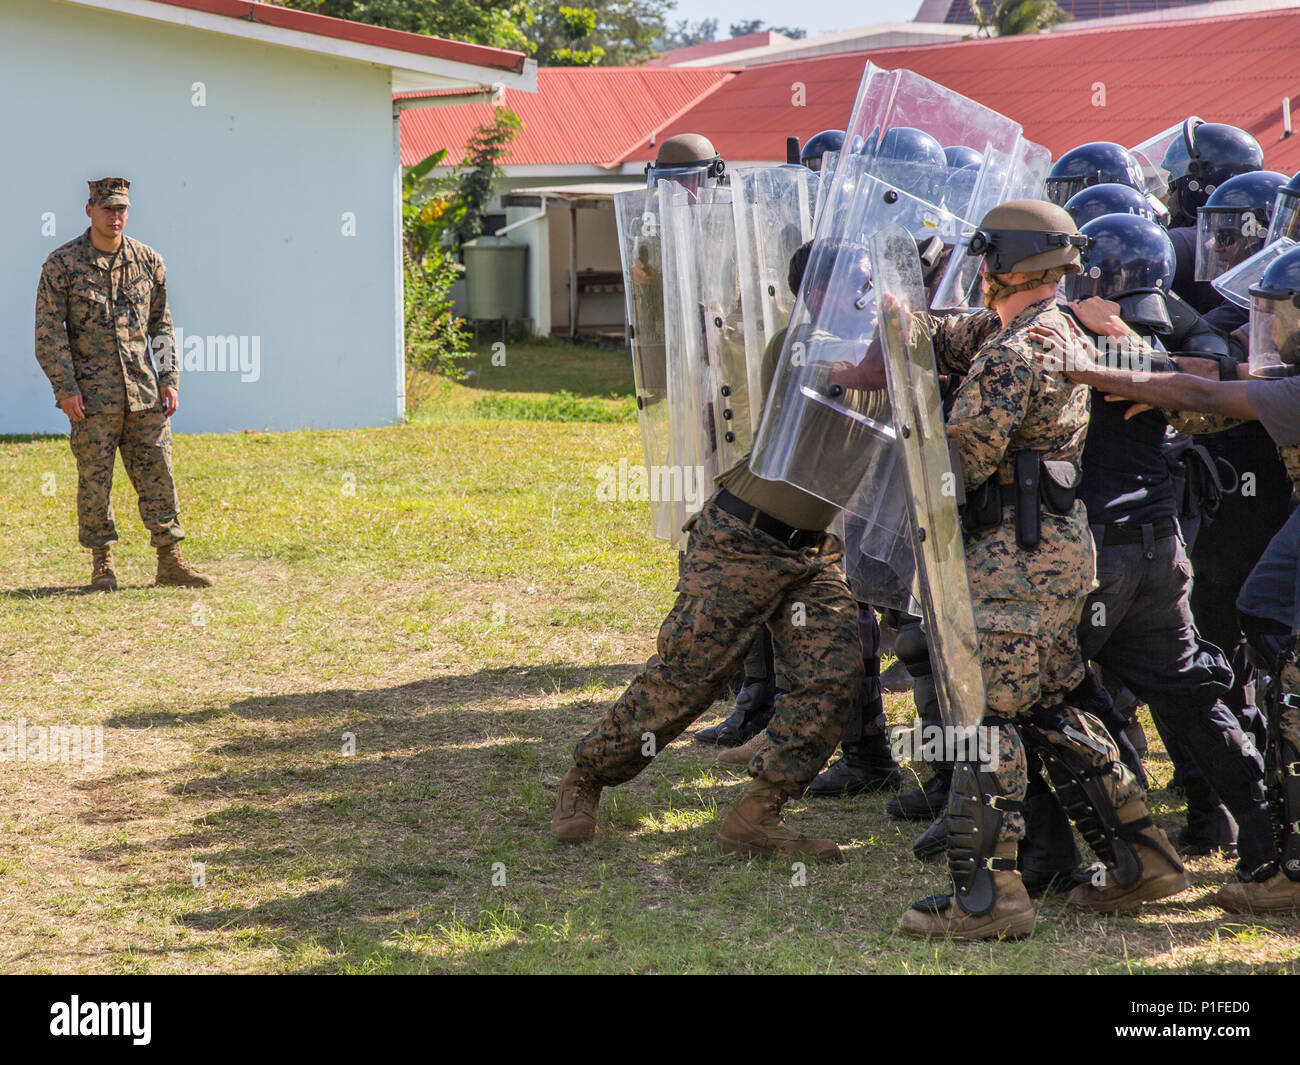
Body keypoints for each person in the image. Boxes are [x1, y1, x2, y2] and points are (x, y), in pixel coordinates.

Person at [838, 201, 1190, 939]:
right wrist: (898, 309)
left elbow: (958, 462)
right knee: (1051, 704)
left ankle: (989, 897)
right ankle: (1143, 856)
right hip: (1054, 549)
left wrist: (913, 426)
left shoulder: (1012, 353)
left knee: (986, 715)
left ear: (1005, 262)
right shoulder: (1046, 326)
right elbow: (948, 334)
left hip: (1013, 555)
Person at [551, 245, 867, 864]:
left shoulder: (883, 349)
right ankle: (584, 779)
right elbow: (854, 375)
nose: (873, 290)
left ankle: (758, 813)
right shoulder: (801, 345)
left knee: (834, 674)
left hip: (810, 554)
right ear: (822, 290)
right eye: (862, 280)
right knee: (689, 678)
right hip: (742, 539)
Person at [1044, 242, 1300, 909]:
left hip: (1098, 549)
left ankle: (1110, 853)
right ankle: (1268, 846)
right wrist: (1125, 351)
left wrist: (1090, 365)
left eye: (1279, 314)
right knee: (1198, 683)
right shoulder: (1151, 342)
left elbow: (1201, 391)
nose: (1268, 327)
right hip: (1159, 547)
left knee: (1041, 693)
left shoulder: (1046, 345)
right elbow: (1200, 384)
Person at [34, 177, 211, 591]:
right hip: (91, 400)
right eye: (108, 208)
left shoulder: (148, 261)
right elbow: (49, 334)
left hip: (143, 394)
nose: (116, 216)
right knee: (95, 482)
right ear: (89, 210)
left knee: (158, 475)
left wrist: (169, 378)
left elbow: (161, 325)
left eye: (122, 209)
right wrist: (66, 388)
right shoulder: (62, 265)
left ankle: (170, 561)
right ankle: (102, 564)